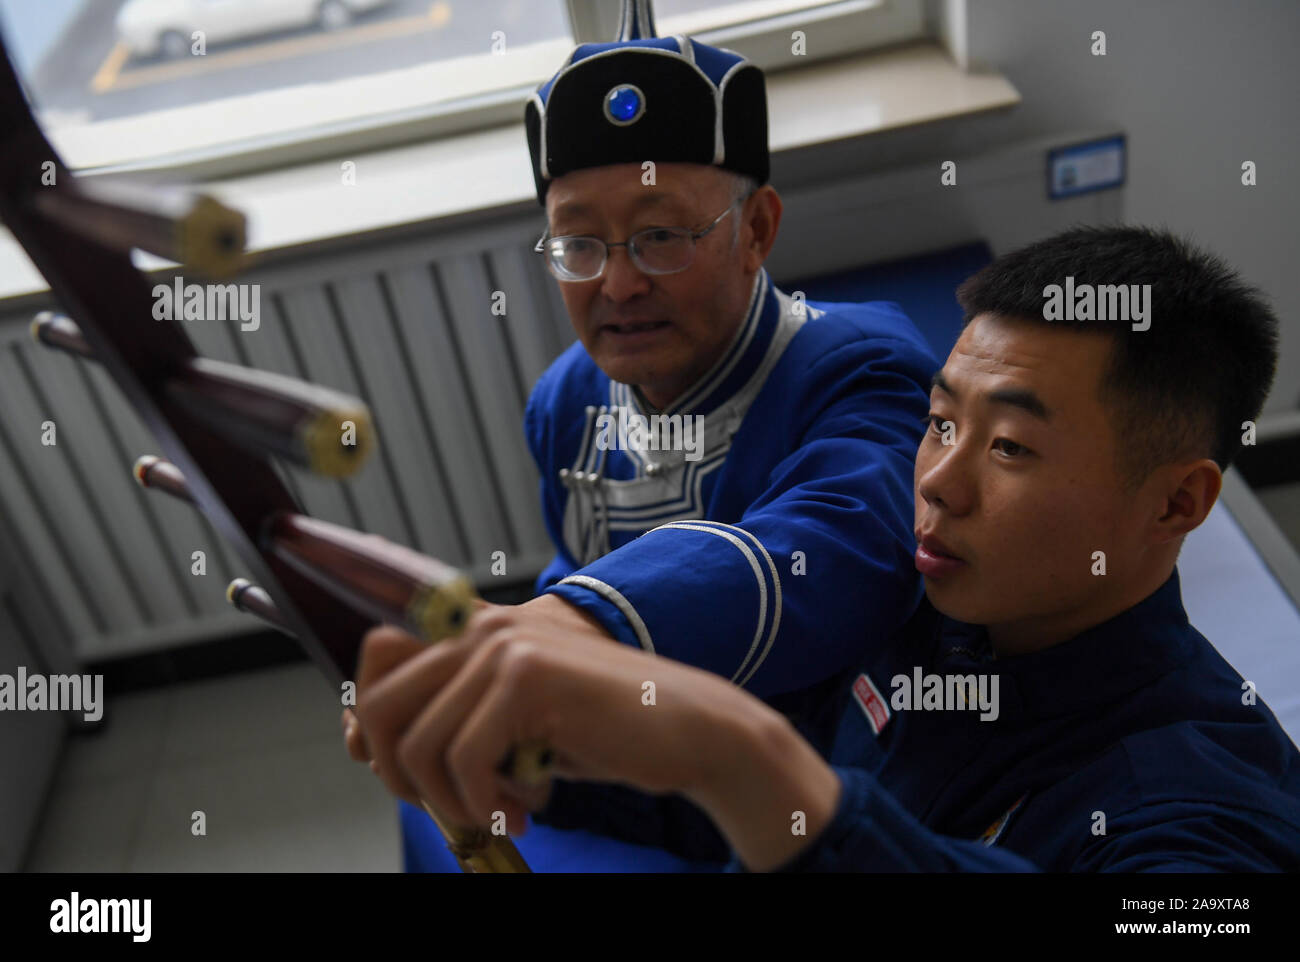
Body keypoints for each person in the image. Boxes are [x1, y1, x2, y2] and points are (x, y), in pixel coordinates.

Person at [348, 226, 1300, 871]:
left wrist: (745, 757)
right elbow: (779, 780)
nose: (936, 482)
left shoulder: (1201, 808)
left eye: (1010, 447)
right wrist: (551, 768)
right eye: (938, 423)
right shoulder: (933, 616)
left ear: (1179, 502)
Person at [375, 24, 939, 869]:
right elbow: (573, 566)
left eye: (661, 236)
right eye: (578, 243)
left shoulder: (861, 367)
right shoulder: (567, 396)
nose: (618, 283)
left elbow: (832, 550)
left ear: (757, 229)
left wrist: (578, 625)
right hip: (638, 750)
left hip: (812, 775)